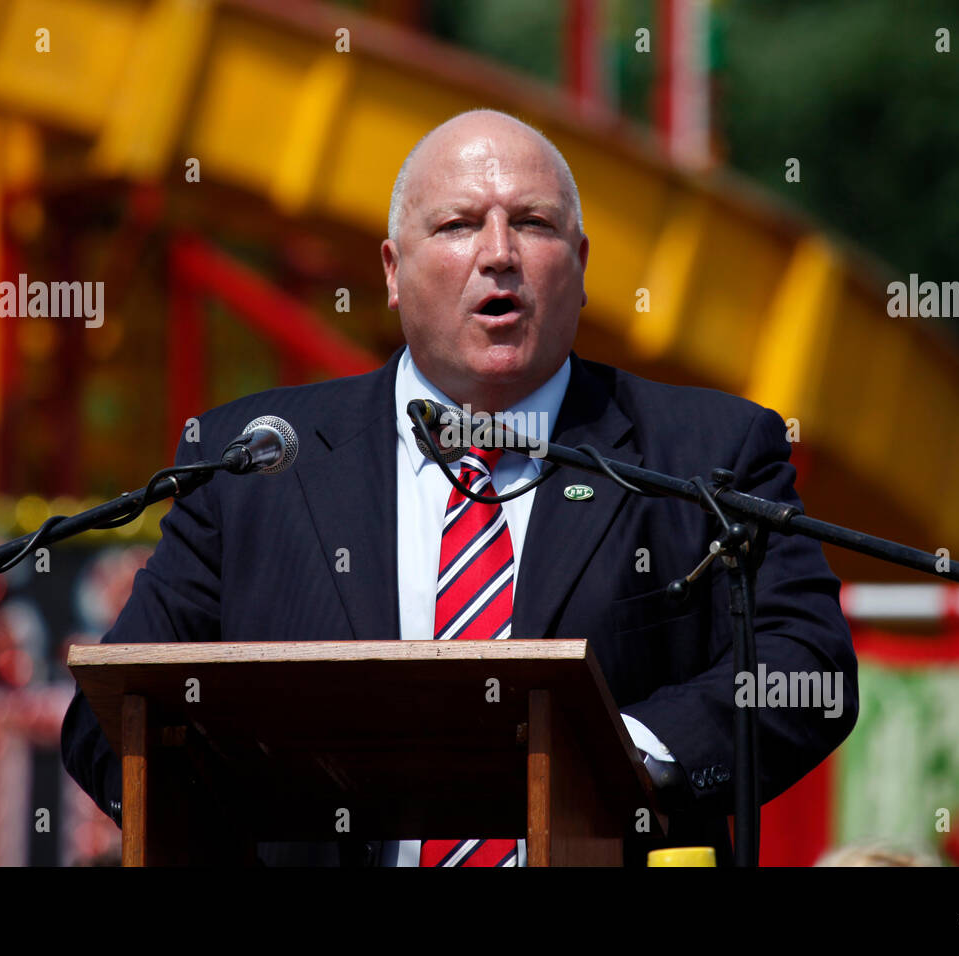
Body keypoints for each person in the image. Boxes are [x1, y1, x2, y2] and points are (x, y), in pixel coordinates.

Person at [60, 108, 859, 866]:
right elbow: (109, 724)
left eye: (535, 223)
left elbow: (808, 669)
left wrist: (625, 758)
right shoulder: (257, 462)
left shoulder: (704, 454)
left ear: (579, 266)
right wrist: (272, 797)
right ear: (392, 271)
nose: (500, 251)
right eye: (457, 224)